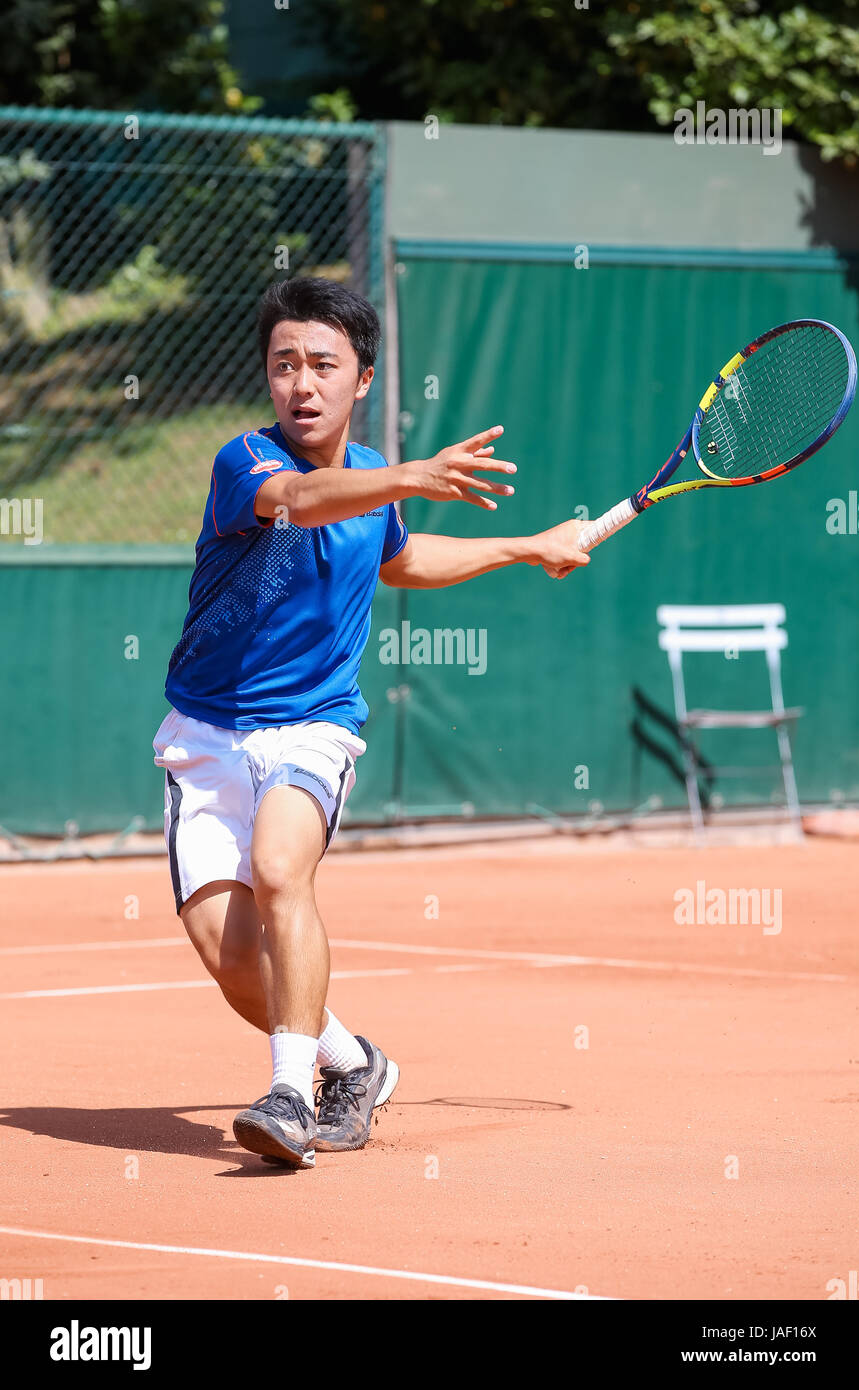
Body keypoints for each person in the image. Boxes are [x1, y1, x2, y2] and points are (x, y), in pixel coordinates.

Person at [152, 276, 589, 1170]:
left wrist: (527, 544)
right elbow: (307, 502)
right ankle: (352, 1062)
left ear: (364, 377)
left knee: (281, 869)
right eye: (283, 365)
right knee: (231, 959)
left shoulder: (376, 483)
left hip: (312, 725)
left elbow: (401, 557)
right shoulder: (246, 462)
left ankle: (287, 1095)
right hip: (204, 736)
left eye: (322, 365)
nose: (301, 385)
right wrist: (412, 476)